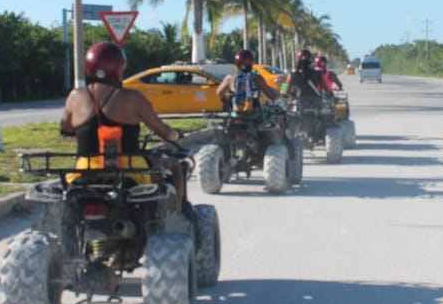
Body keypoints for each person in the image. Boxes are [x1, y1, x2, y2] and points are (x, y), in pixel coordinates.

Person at [60, 41, 192, 219]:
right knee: (174, 164)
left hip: (85, 171)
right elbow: (162, 130)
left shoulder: (76, 96)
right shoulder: (132, 97)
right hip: (130, 170)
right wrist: (172, 134)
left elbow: (65, 127)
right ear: (119, 68)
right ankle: (179, 213)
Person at [216, 49, 283, 114]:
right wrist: (281, 100)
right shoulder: (257, 78)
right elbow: (270, 94)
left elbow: (219, 92)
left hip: (236, 112)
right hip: (253, 112)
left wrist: (227, 100)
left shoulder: (230, 78)